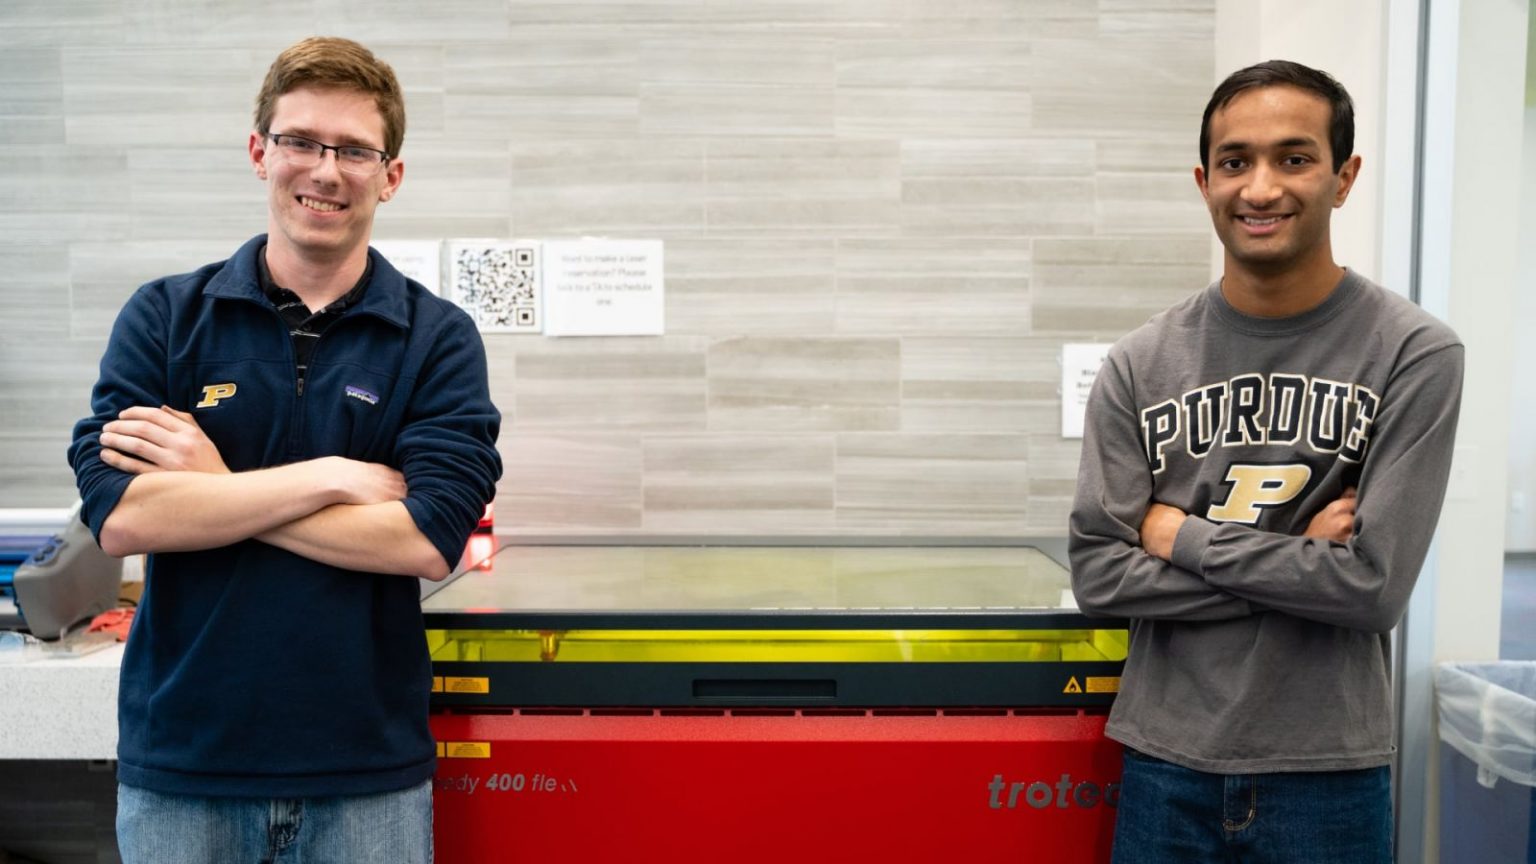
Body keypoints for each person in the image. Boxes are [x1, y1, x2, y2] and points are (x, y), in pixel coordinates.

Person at [67, 36, 501, 863]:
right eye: (301, 141)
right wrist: (333, 478)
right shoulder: (165, 319)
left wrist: (214, 490)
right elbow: (122, 518)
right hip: (184, 768)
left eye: (354, 150)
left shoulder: (437, 341)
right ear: (261, 152)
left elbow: (423, 538)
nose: (325, 170)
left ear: (391, 175)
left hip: (366, 773)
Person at [1068, 60, 1463, 863]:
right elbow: (1100, 575)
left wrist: (1181, 537)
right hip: (1164, 761)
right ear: (1203, 180)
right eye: (1235, 161)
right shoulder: (1140, 362)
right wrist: (1298, 563)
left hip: (1329, 773)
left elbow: (1371, 587)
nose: (1260, 189)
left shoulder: (1414, 353)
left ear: (1344, 178)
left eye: (1294, 158)